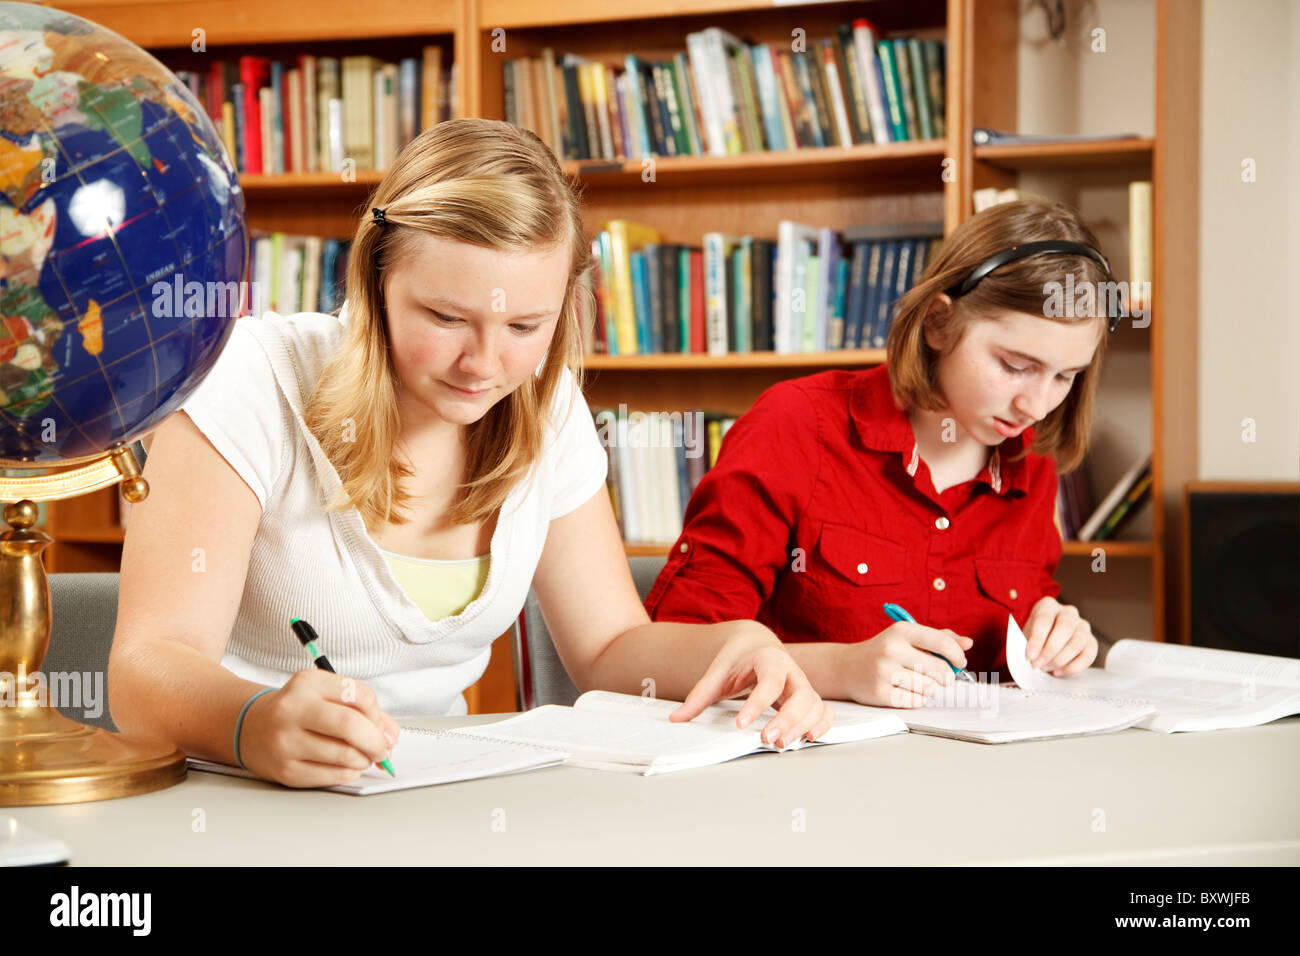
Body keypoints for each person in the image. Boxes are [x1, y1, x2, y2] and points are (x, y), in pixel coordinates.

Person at [107, 119, 833, 789]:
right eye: (446, 318)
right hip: (235, 796)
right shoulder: (250, 380)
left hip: (434, 801)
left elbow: (609, 649)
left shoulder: (548, 412)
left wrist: (736, 645)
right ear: (377, 282)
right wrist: (253, 723)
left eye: (525, 324)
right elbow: (144, 672)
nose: (484, 364)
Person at [646, 200, 1112, 708]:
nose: (1037, 405)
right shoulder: (796, 426)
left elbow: (1020, 634)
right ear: (938, 324)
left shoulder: (1030, 463)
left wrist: (1055, 633)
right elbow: (673, 652)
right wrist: (840, 670)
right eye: (1015, 365)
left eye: (1065, 376)